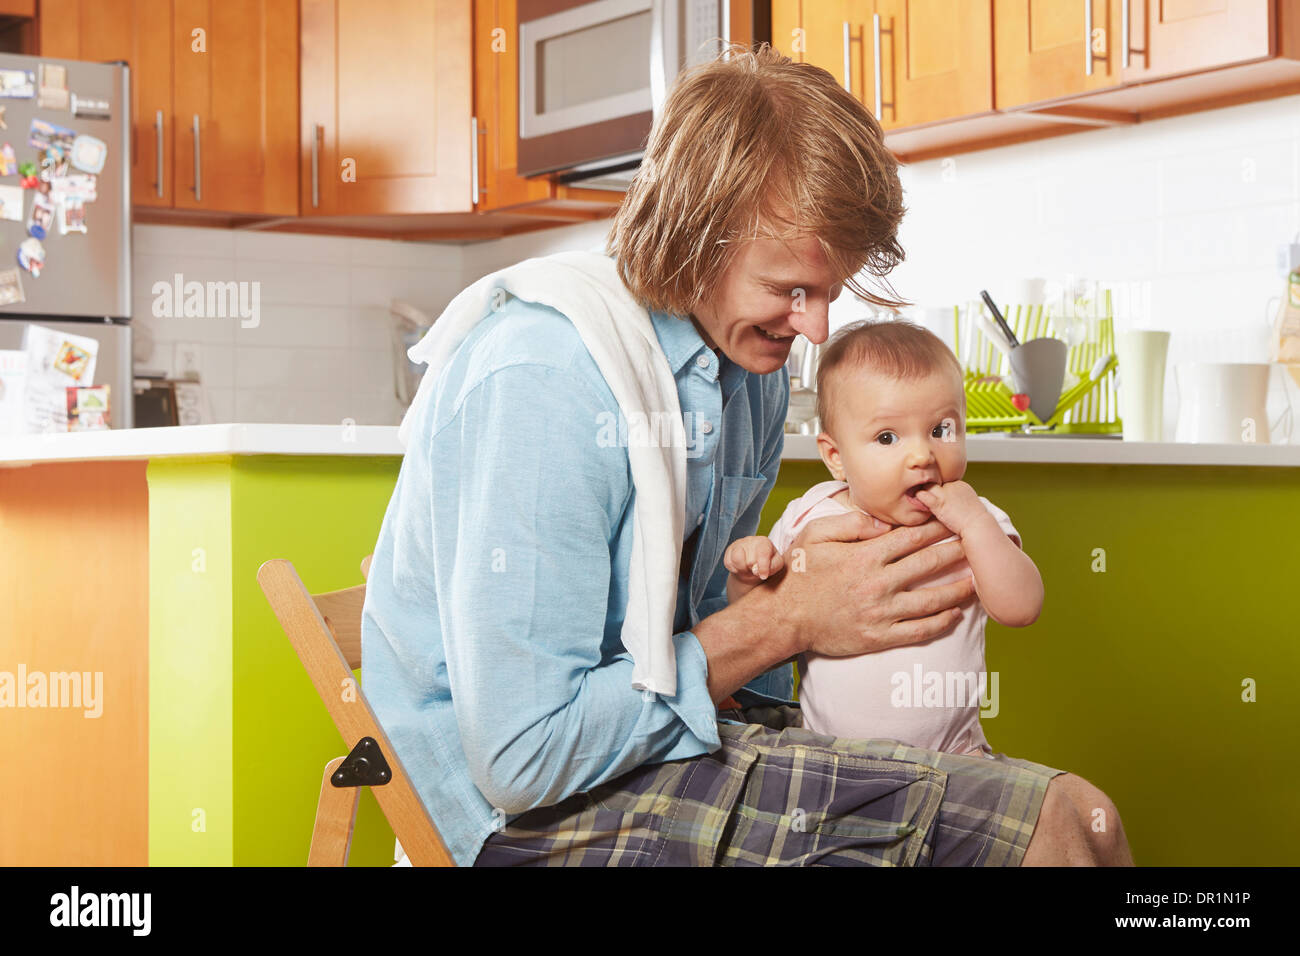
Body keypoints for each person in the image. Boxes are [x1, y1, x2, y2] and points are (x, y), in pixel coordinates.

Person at [362, 42, 1134, 866]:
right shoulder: (546, 377)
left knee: (1088, 819)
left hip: (661, 753)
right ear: (694, 239)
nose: (816, 329)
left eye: (829, 291)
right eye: (788, 289)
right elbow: (526, 758)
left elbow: (717, 639)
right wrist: (793, 616)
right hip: (528, 820)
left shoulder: (744, 370)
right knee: (1051, 828)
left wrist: (810, 613)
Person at [724, 319, 1041, 756]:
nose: (922, 455)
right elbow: (760, 628)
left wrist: (974, 526)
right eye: (888, 437)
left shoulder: (973, 517)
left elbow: (1021, 608)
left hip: (954, 756)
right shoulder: (813, 515)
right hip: (829, 755)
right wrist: (749, 572)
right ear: (836, 457)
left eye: (941, 430)